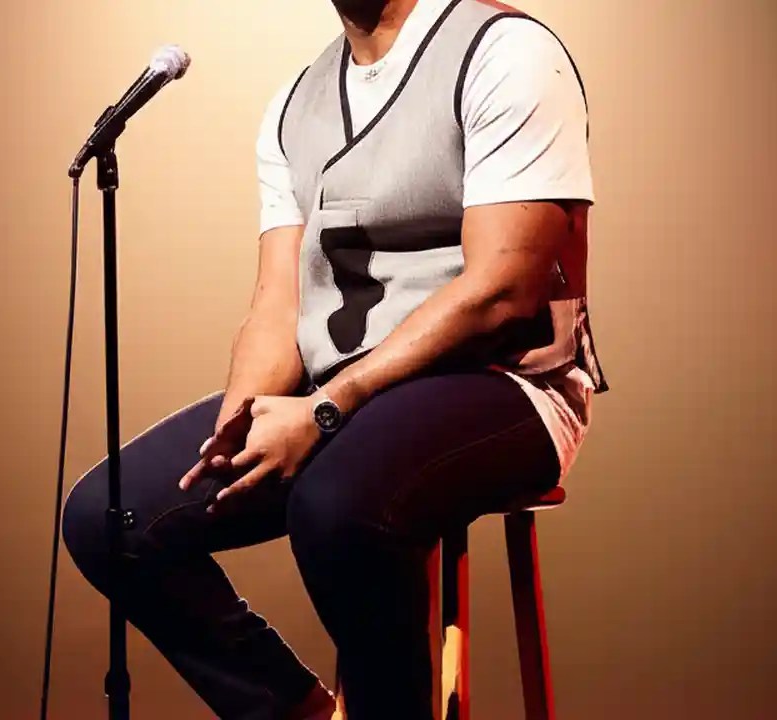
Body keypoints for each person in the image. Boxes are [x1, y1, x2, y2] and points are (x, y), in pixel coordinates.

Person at [61, 0, 609, 717]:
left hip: (505, 383)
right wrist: (242, 416)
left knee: (338, 504)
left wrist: (325, 411)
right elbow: (277, 304)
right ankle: (302, 712)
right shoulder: (296, 106)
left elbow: (501, 292)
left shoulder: (504, 52)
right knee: (113, 519)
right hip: (346, 393)